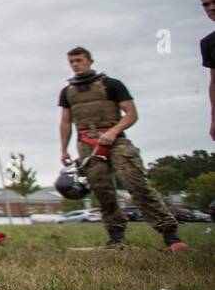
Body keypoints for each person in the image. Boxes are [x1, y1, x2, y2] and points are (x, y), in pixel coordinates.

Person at [58, 46, 188, 252]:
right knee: (102, 191)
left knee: (136, 184)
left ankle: (171, 236)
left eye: (79, 60)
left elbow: (131, 113)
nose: (75, 64)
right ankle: (116, 238)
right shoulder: (68, 92)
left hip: (115, 139)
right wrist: (64, 149)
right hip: (86, 144)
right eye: (72, 61)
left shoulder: (111, 84)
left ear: (90, 61)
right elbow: (65, 122)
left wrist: (113, 131)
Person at [201, 0, 215, 143]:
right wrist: (213, 119)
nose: (210, 8)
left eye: (214, 2)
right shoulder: (208, 43)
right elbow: (214, 82)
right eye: (206, 4)